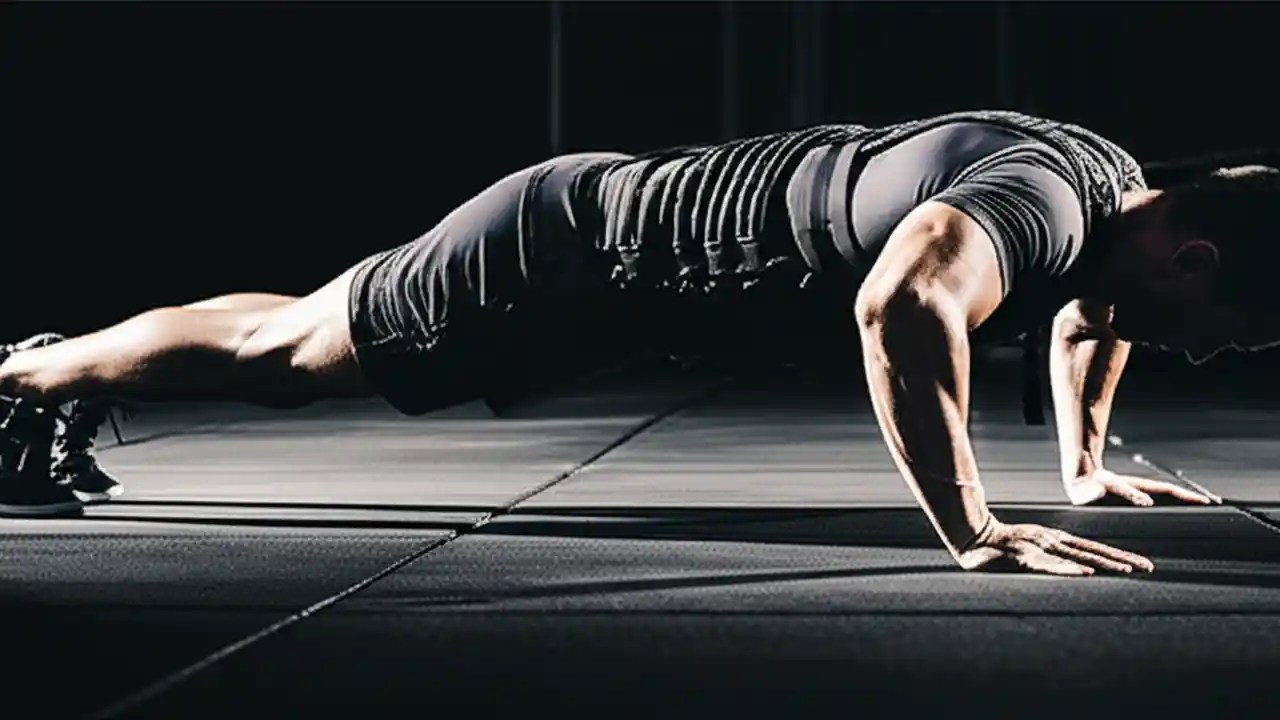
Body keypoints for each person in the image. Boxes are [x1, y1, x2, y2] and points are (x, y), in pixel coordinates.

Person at [2, 110, 1275, 577]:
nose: (1211, 357)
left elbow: (1089, 314)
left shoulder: (1104, 199)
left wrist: (1081, 468)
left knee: (292, 323)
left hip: (599, 245)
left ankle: (56, 361)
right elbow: (900, 304)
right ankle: (24, 371)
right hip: (561, 262)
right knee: (281, 359)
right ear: (1197, 260)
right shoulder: (1041, 205)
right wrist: (974, 526)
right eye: (1227, 336)